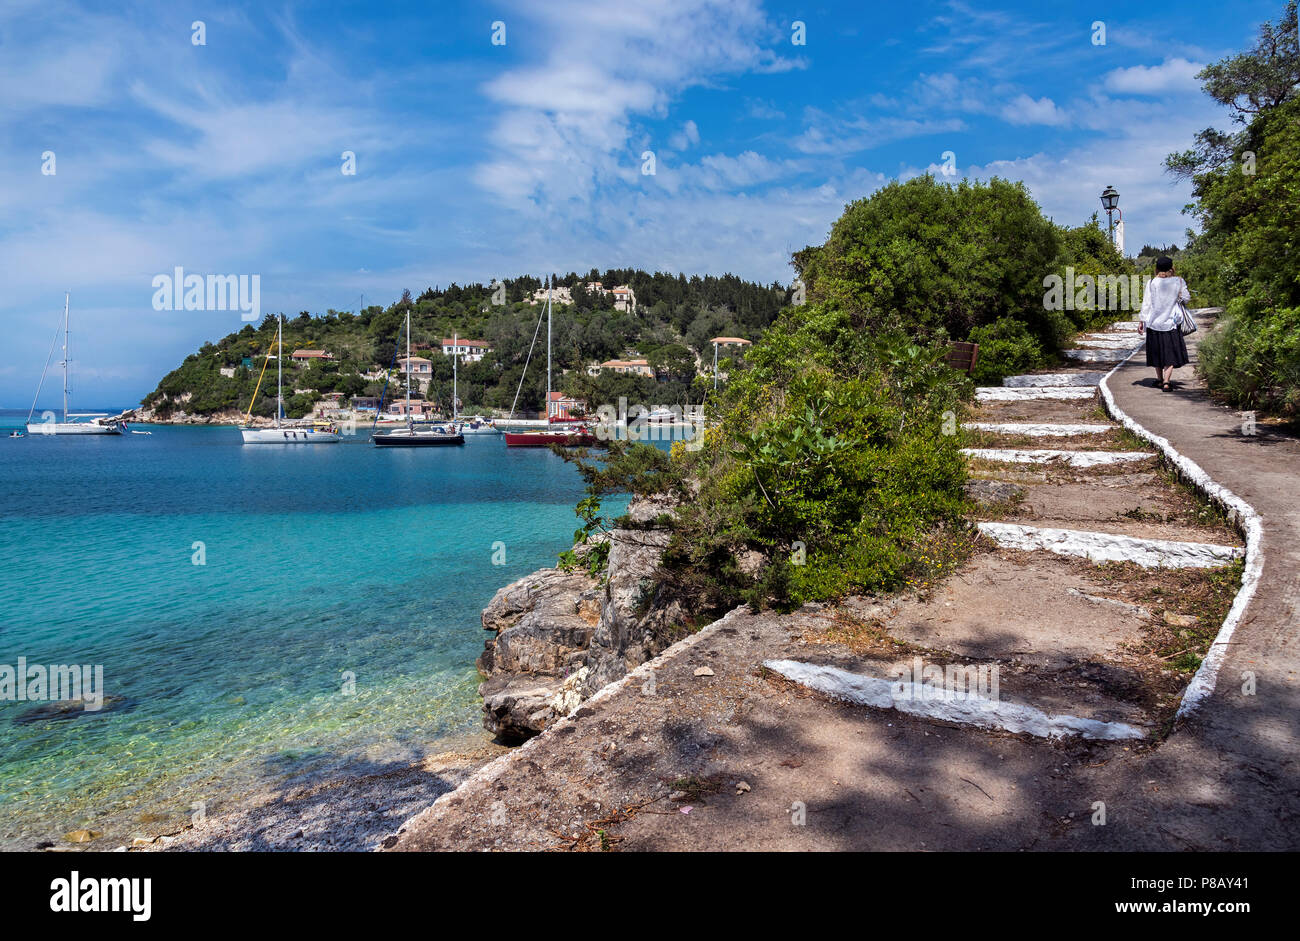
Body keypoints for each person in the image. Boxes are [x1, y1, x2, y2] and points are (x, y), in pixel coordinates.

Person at [1138, 256, 1191, 391]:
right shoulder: (1178, 281)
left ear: (1156, 268)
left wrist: (1141, 321)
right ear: (1171, 268)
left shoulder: (1151, 283)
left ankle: (1160, 380)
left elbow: (1146, 304)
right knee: (1170, 353)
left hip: (1154, 324)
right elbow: (1186, 298)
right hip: (1171, 323)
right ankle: (1167, 382)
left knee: (1157, 352)